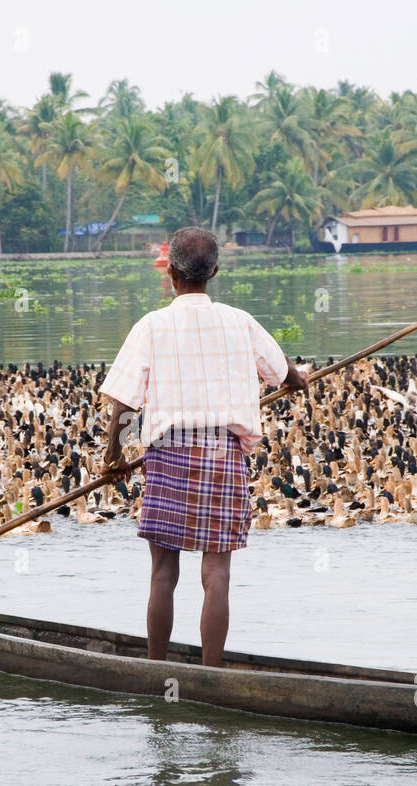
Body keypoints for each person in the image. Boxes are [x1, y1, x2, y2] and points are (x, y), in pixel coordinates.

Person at [99, 227, 308, 667]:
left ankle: (158, 670)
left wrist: (113, 459)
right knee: (217, 574)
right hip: (223, 453)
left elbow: (123, 403)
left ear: (172, 273)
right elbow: (284, 372)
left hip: (167, 452)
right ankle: (209, 676)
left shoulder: (151, 326)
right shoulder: (240, 321)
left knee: (162, 573)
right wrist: (297, 380)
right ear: (214, 270)